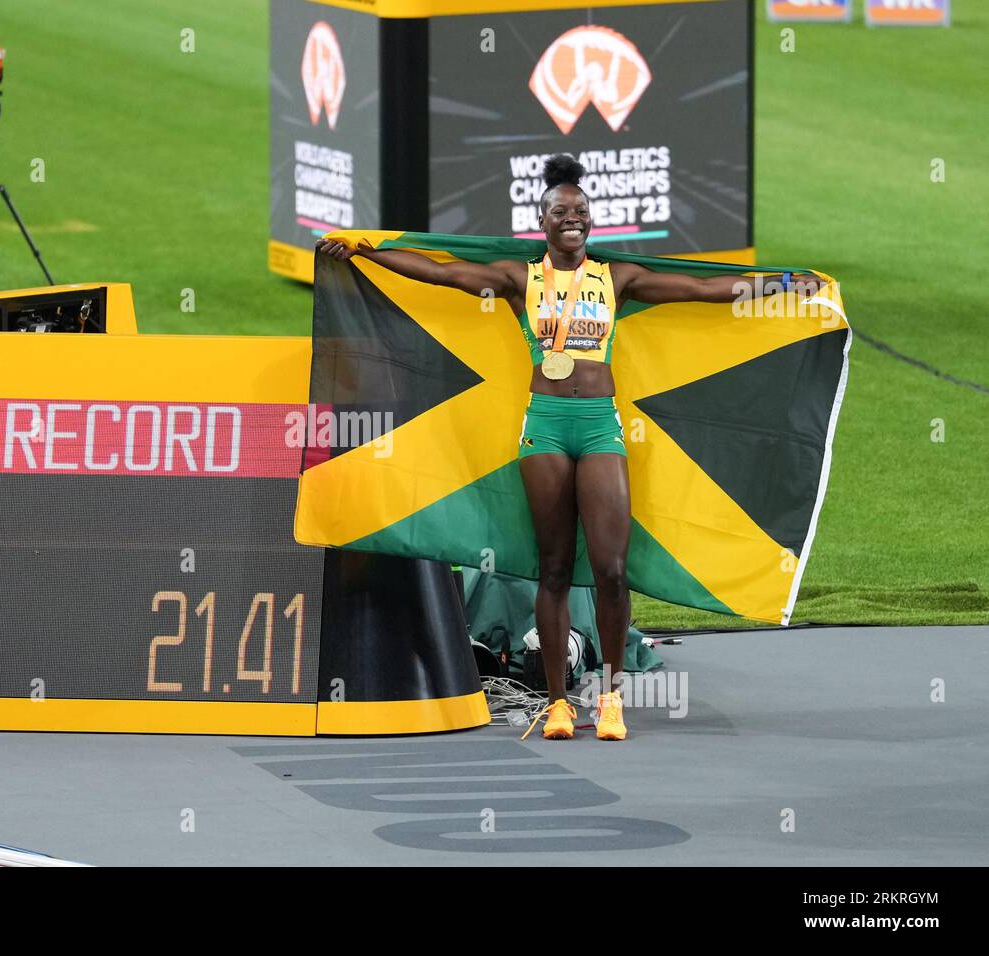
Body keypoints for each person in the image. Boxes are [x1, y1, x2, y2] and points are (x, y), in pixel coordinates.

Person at [316, 154, 823, 740]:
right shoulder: (517, 278)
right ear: (544, 221)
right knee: (553, 568)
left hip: (600, 426)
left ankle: (609, 698)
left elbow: (702, 288)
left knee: (610, 569)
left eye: (581, 211)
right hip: (545, 426)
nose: (572, 218)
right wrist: (366, 251)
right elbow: (439, 271)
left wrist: (779, 286)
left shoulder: (617, 279)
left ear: (591, 221)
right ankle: (557, 703)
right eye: (561, 211)